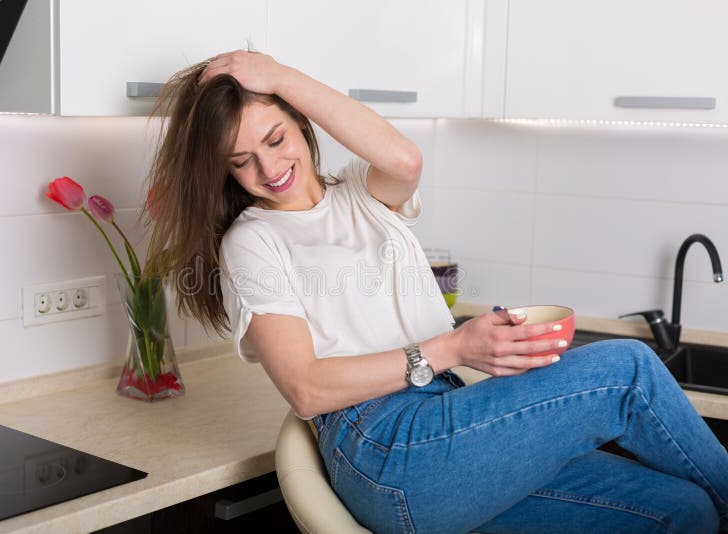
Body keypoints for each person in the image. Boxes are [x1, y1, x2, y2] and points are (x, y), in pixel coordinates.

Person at [145, 50, 728, 533]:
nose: (268, 168)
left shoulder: (356, 194)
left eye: (276, 138)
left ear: (301, 121)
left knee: (685, 513)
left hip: (445, 425)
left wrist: (276, 76)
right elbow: (305, 387)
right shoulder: (252, 241)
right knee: (627, 369)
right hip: (387, 452)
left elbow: (405, 158)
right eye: (242, 162)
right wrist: (452, 349)